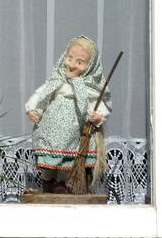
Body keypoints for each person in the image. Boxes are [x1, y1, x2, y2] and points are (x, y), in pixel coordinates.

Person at [24, 36, 111, 194]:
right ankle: (47, 184)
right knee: (49, 165)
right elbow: (42, 94)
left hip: (74, 136)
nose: (71, 64)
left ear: (90, 67)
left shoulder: (88, 87)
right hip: (50, 134)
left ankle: (62, 186)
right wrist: (32, 109)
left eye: (79, 62)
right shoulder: (57, 79)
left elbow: (99, 105)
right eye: (69, 58)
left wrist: (98, 116)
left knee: (68, 165)